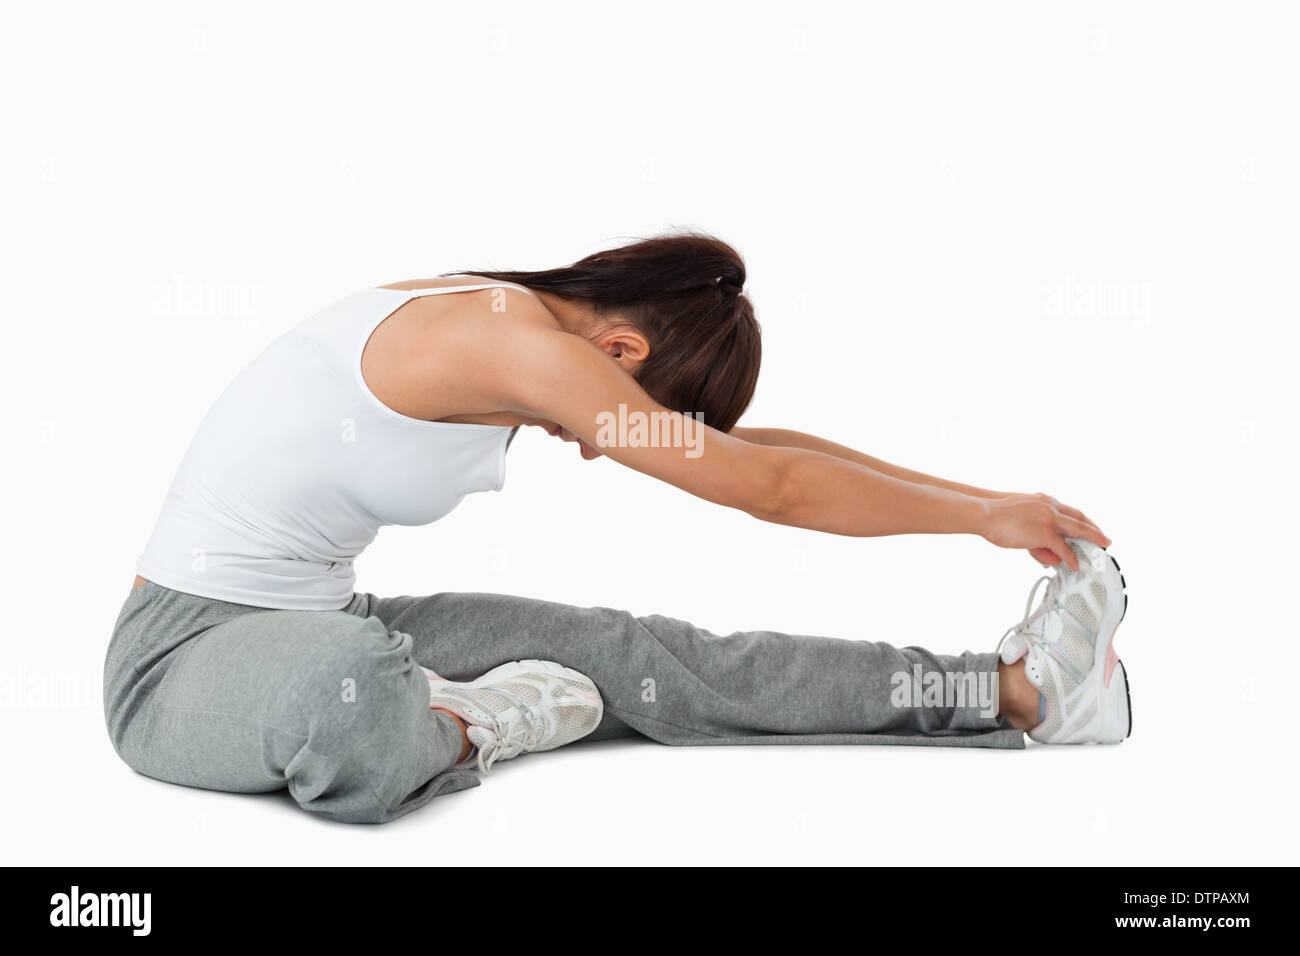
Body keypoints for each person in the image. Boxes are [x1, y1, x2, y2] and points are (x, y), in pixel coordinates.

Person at [105, 232, 1130, 824]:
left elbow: (759, 454)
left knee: (636, 652)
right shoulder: (510, 342)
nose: (597, 446)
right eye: (614, 419)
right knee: (349, 683)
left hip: (324, 617)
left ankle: (1017, 691)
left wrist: (983, 504)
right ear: (623, 348)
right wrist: (975, 516)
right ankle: (469, 722)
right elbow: (767, 488)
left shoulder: (521, 325)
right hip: (182, 661)